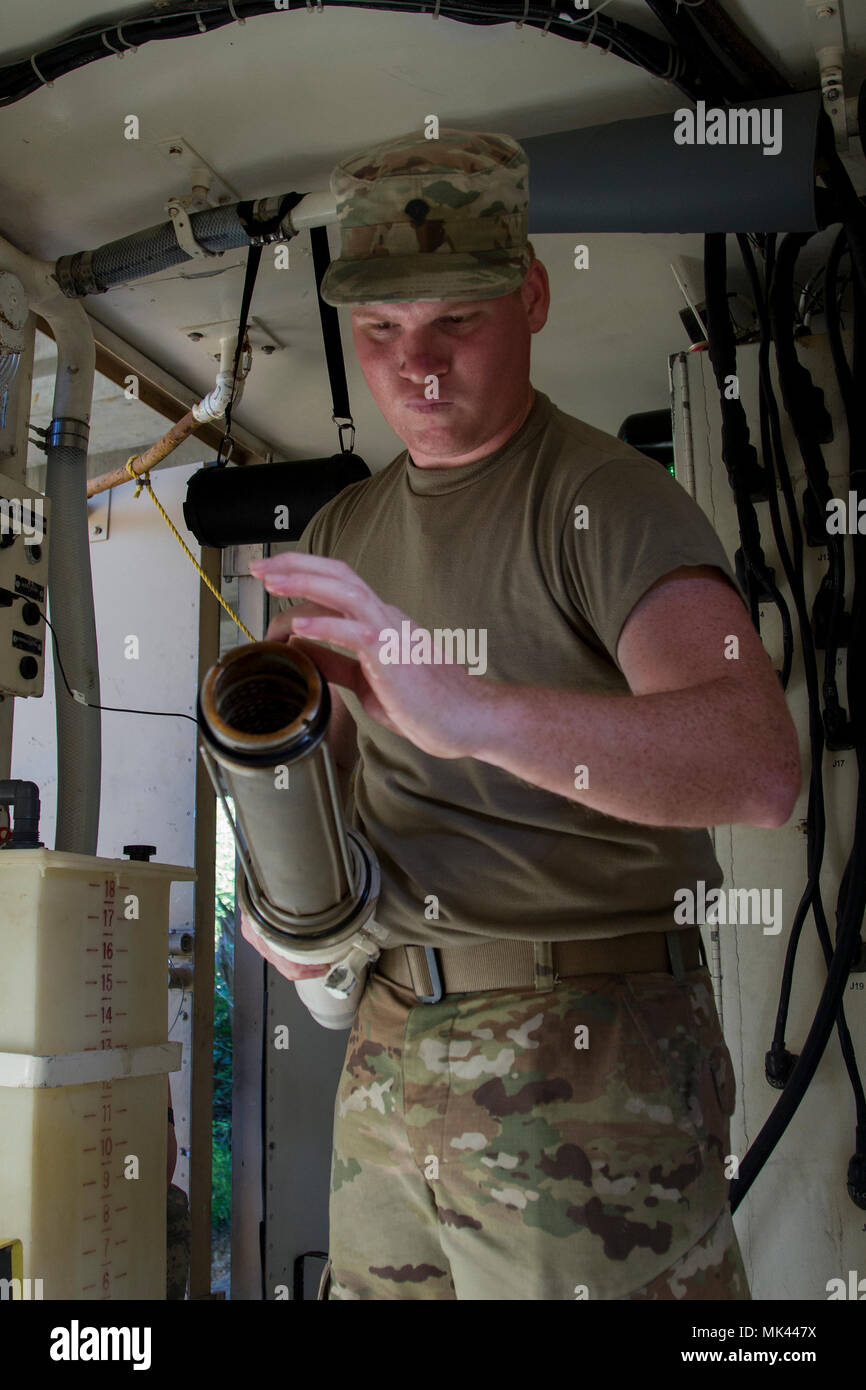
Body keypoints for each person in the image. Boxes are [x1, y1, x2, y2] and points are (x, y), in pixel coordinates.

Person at [241, 128, 801, 1300]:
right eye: (382, 332)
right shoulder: (343, 532)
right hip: (389, 1040)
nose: (419, 367)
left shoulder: (606, 499)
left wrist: (475, 712)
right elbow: (332, 785)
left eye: (456, 321)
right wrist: (291, 889)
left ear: (531, 296)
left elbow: (754, 763)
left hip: (585, 1052)